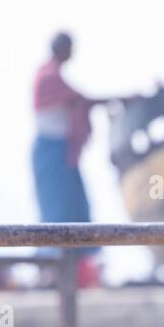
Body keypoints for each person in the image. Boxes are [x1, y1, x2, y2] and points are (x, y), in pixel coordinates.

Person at [32, 31, 114, 226]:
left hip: (62, 151)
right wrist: (120, 98)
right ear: (63, 49)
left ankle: (81, 254)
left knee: (76, 206)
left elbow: (79, 100)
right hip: (52, 152)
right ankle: (59, 254)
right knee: (57, 210)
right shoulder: (48, 77)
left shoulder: (53, 75)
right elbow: (80, 100)